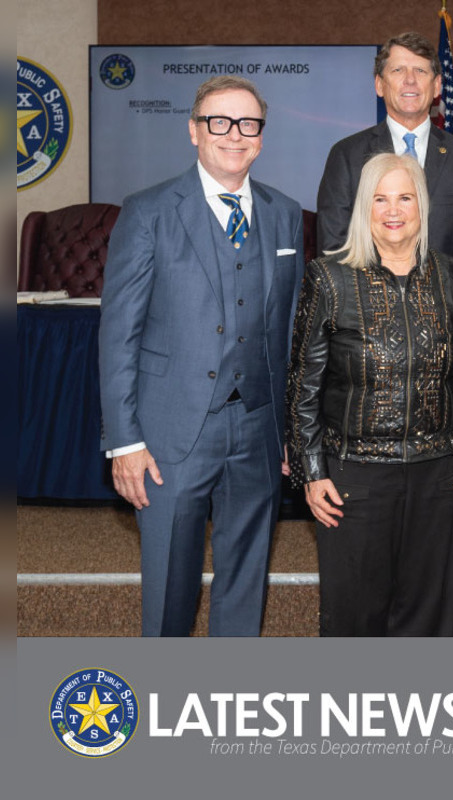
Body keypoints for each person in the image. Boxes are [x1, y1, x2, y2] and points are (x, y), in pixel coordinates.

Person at [98, 76, 304, 636]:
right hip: (168, 435)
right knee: (169, 585)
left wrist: (290, 431)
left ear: (261, 137)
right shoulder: (149, 212)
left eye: (247, 124)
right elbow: (118, 334)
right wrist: (125, 441)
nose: (233, 135)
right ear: (194, 131)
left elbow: (286, 332)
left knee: (245, 583)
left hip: (259, 430)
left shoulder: (286, 215)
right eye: (219, 122)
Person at [288, 152, 453, 637]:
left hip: (436, 474)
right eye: (380, 198)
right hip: (354, 476)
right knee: (355, 613)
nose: (393, 210)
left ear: (422, 204)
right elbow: (303, 386)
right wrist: (311, 473)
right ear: (364, 207)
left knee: (430, 612)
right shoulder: (328, 278)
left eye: (404, 197)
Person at [317, 32, 453, 259]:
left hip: (447, 293)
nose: (410, 79)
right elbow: (333, 247)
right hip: (365, 293)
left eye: (420, 70)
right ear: (379, 85)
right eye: (398, 70)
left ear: (437, 86)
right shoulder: (346, 155)